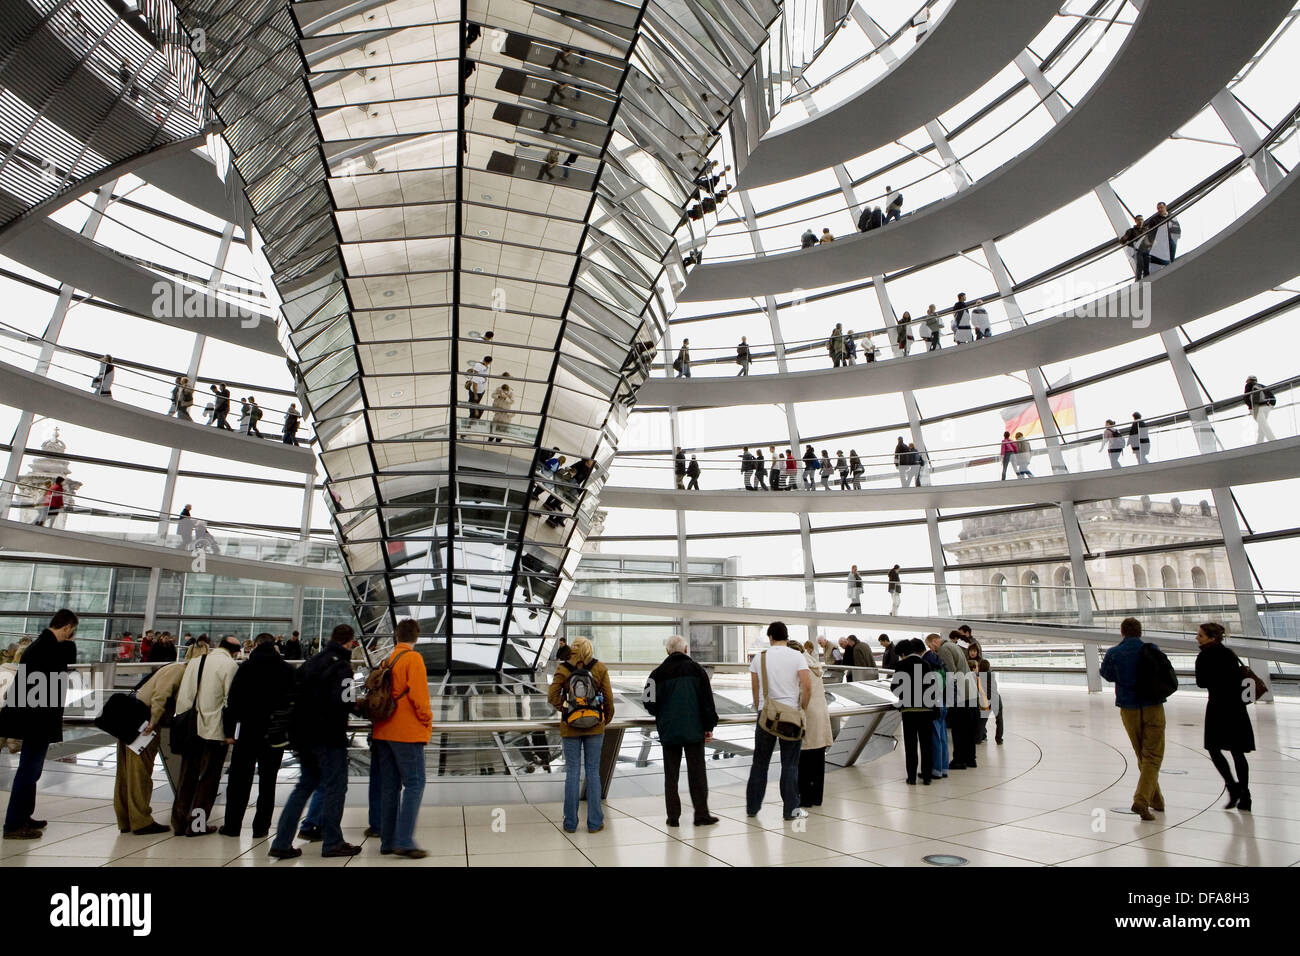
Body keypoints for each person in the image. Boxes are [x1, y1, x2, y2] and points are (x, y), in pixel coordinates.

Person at [270, 624, 364, 858]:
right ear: (350, 642)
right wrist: (362, 707)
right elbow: (345, 701)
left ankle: (281, 842)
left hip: (302, 735)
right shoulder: (342, 667)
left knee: (304, 786)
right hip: (328, 736)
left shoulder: (312, 662)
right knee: (336, 786)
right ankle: (332, 842)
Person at [0, 609, 78, 839]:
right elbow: (61, 671)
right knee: (28, 770)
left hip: (33, 719)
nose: (71, 636)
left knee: (31, 770)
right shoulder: (47, 648)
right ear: (67, 628)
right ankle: (14, 824)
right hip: (35, 720)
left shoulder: (40, 645)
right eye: (71, 632)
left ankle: (24, 816)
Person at [218, 632, 292, 838]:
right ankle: (261, 829)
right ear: (275, 645)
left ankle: (232, 826)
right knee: (268, 783)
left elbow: (232, 702)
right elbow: (293, 702)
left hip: (248, 732)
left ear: (256, 645)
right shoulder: (286, 669)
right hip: (274, 734)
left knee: (239, 781)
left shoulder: (246, 668)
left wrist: (229, 731)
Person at [643, 635, 719, 827]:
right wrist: (708, 726)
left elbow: (648, 702)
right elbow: (707, 701)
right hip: (694, 731)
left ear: (667, 651)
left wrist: (662, 712)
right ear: (685, 650)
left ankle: (673, 817)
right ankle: (701, 815)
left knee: (671, 776)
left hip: (669, 732)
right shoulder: (697, 670)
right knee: (697, 774)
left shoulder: (656, 674)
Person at [372, 618, 433, 857]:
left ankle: (387, 841)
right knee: (415, 783)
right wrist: (427, 719)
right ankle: (405, 840)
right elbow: (419, 697)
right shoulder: (413, 659)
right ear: (416, 638)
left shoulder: (387, 660)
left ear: (397, 636)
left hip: (383, 730)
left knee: (390, 787)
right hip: (406, 732)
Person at [1100, 617, 1170, 821]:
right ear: (1139, 632)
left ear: (1122, 632)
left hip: (1128, 707)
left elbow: (1107, 674)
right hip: (1153, 705)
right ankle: (1142, 800)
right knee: (1153, 756)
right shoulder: (1152, 648)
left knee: (1142, 754)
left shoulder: (1114, 653)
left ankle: (1157, 800)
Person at [170, 634, 240, 836]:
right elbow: (230, 703)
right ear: (235, 652)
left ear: (218, 645)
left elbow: (184, 694)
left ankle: (179, 821)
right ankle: (197, 825)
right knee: (208, 779)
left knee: (187, 775)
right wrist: (229, 733)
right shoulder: (230, 666)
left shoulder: (195, 661)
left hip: (189, 726)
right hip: (213, 730)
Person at [114, 653, 188, 836]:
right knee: (140, 771)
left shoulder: (170, 666)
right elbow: (160, 695)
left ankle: (125, 820)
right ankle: (141, 821)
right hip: (145, 721)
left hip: (131, 716)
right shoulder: (179, 670)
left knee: (125, 771)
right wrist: (154, 721)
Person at [547, 636, 614, 833]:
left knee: (573, 773)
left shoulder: (563, 669)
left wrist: (567, 710)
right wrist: (603, 719)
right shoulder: (600, 668)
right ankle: (594, 823)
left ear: (572, 649)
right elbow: (608, 699)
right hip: (595, 727)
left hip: (570, 728)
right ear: (589, 649)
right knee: (593, 772)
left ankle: (570, 823)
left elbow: (552, 696)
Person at [746, 622, 811, 821]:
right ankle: (791, 810)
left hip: (766, 715)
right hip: (791, 715)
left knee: (760, 763)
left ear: (770, 637)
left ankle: (753, 807)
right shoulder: (797, 656)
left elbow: (755, 689)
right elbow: (807, 687)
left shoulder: (760, 657)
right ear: (786, 636)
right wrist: (801, 708)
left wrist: (760, 707)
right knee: (790, 765)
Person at [1194, 622, 1255, 812]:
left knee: (1213, 748)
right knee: (1238, 752)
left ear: (1211, 637)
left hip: (1217, 707)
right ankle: (1245, 794)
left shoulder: (1204, 656)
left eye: (1201, 635)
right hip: (1236, 707)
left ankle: (1232, 786)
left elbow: (1201, 683)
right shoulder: (1229, 654)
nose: (1197, 638)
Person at [891, 639, 937, 784]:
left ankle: (911, 778)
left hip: (909, 711)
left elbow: (895, 688)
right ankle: (927, 777)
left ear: (903, 653)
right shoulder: (926, 664)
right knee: (926, 745)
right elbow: (932, 687)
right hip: (926, 710)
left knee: (910, 745)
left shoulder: (901, 665)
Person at [798, 640, 833, 807]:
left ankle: (805, 798)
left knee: (804, 759)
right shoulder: (814, 664)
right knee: (818, 759)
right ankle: (817, 797)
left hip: (807, 715)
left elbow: (802, 691)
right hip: (820, 714)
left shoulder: (800, 666)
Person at [939, 630, 976, 769]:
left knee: (958, 728)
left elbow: (951, 672)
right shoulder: (955, 646)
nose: (932, 650)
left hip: (960, 694)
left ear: (935, 642)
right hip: (970, 690)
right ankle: (970, 759)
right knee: (968, 728)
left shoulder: (944, 649)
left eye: (930, 646)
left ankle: (959, 760)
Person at [1145, 201, 1180, 269]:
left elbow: (1176, 225)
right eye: (1158, 208)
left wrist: (1178, 235)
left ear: (1165, 207)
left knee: (1172, 251)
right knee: (1165, 254)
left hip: (1172, 237)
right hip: (1162, 240)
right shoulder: (1154, 220)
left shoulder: (1172, 216)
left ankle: (1172, 265)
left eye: (1161, 207)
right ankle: (1168, 266)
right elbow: (1151, 232)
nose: (1160, 209)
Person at [1243, 375, 1276, 443]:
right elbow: (1273, 397)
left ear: (1249, 380)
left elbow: (1246, 398)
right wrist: (1270, 406)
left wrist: (1251, 407)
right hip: (1267, 406)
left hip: (1257, 407)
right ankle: (1260, 441)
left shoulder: (1249, 385)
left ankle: (1273, 440)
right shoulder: (1262, 386)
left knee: (1263, 424)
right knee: (1262, 424)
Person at [1123, 214, 1152, 279]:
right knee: (1140, 265)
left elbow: (1149, 239)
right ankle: (1138, 280)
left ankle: (1147, 279)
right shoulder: (1131, 231)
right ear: (1135, 221)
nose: (1140, 221)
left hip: (1146, 249)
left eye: (1141, 219)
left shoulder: (1146, 230)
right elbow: (1123, 241)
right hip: (1137, 250)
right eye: (1138, 220)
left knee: (1146, 266)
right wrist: (1125, 238)